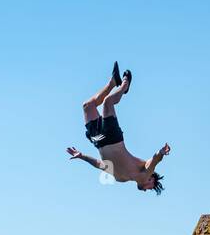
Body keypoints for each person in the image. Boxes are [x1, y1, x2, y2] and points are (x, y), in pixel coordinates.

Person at [67, 62, 168, 194]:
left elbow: (99, 164)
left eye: (149, 188)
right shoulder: (143, 173)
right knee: (108, 102)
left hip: (98, 140)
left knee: (87, 106)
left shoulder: (121, 178)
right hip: (113, 138)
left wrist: (82, 156)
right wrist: (161, 153)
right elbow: (155, 160)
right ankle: (124, 86)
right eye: (151, 183)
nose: (148, 186)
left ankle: (113, 83)